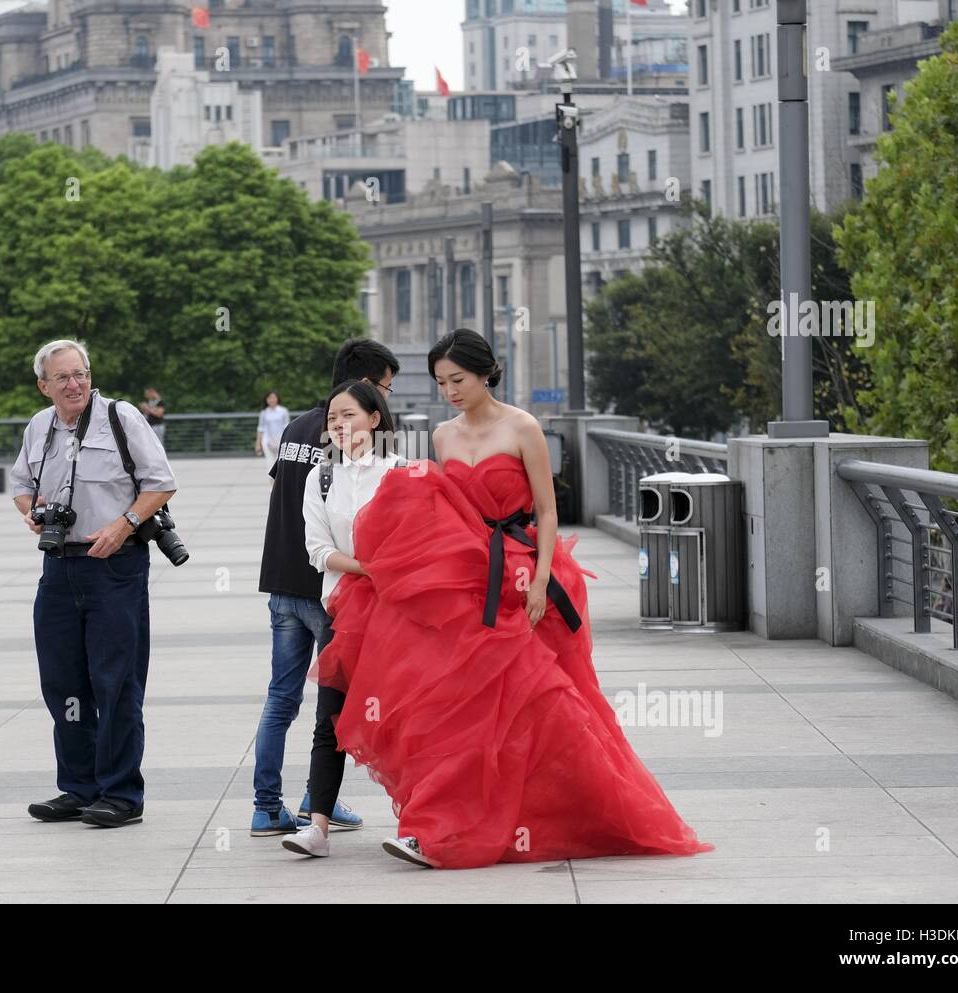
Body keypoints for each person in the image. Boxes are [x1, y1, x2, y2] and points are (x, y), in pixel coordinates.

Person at [313, 328, 714, 869]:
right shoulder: (441, 436)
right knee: (456, 709)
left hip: (525, 571)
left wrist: (543, 579)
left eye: (457, 379)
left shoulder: (523, 426)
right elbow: (446, 514)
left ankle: (579, 815)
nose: (450, 391)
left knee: (544, 707)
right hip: (469, 578)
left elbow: (548, 511)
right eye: (440, 382)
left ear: (486, 373)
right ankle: (436, 828)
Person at [10, 339, 178, 828]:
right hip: (59, 567)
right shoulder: (38, 429)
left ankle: (121, 793)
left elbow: (161, 481)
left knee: (116, 681)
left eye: (80, 373)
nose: (74, 383)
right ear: (44, 386)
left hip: (115, 565)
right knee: (63, 681)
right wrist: (34, 515)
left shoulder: (122, 418)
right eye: (61, 377)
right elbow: (21, 488)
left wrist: (124, 523)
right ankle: (79, 788)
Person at [252, 339, 399, 837]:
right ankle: (321, 799)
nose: (385, 397)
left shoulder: (297, 426)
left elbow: (278, 494)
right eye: (383, 387)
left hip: (282, 580)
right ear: (364, 383)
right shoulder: (352, 437)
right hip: (331, 590)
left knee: (280, 698)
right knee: (333, 705)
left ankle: (267, 807)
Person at [282, 381, 402, 859]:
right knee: (329, 718)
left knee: (405, 716)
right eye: (333, 418)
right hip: (344, 612)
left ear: (374, 419)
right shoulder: (321, 478)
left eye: (349, 415)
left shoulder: (402, 471)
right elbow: (318, 551)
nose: (339, 425)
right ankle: (318, 827)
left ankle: (416, 822)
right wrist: (366, 567)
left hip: (398, 612)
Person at [256, 391, 289, 467]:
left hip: (281, 440)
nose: (272, 400)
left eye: (273, 397)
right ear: (266, 400)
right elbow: (260, 428)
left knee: (280, 462)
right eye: (269, 398)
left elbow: (287, 426)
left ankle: (279, 479)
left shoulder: (283, 411)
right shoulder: (264, 413)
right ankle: (271, 479)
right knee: (270, 462)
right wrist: (258, 443)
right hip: (267, 440)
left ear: (277, 399)